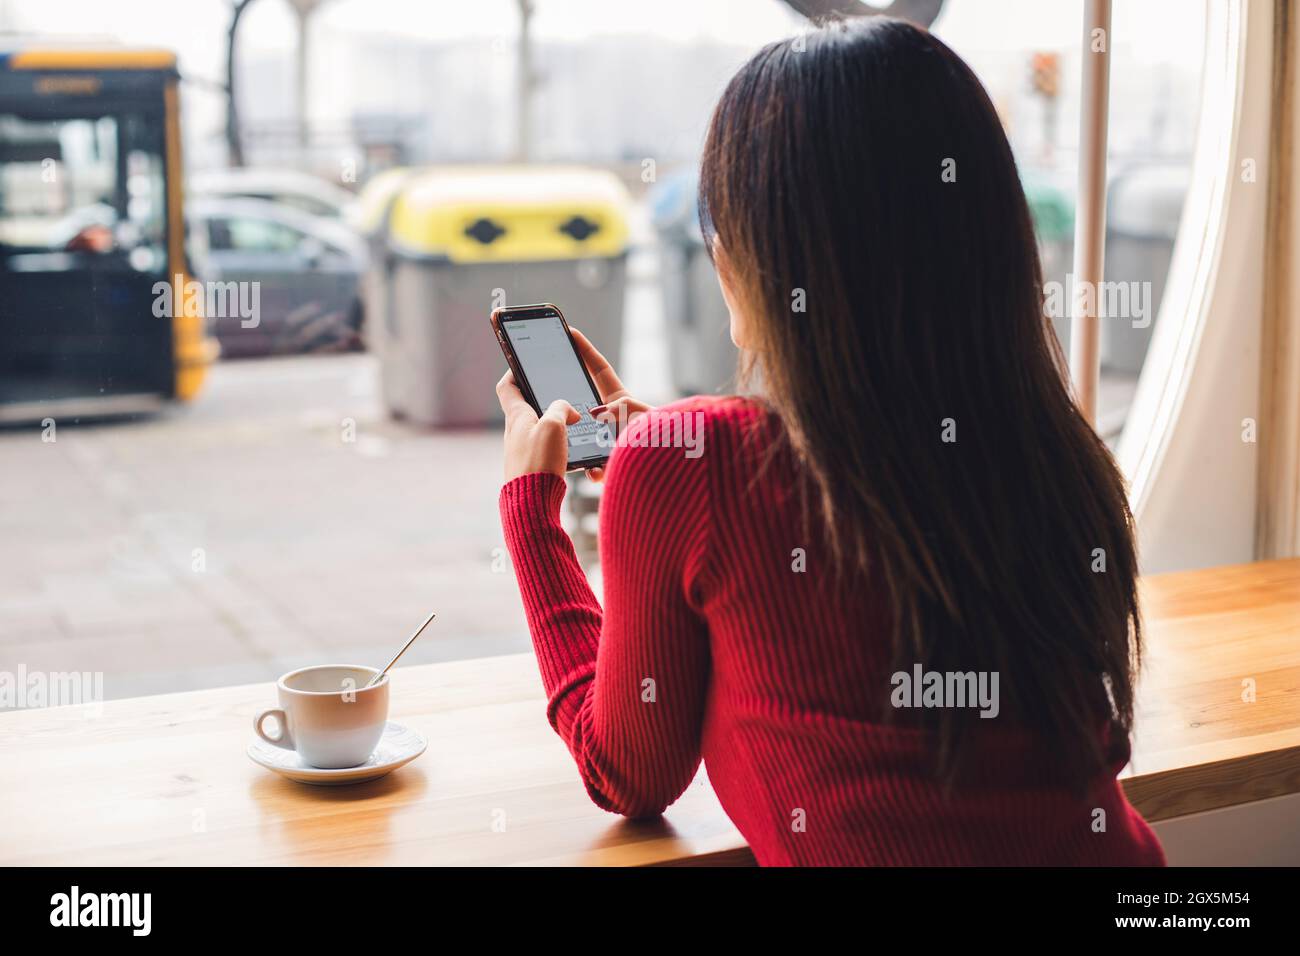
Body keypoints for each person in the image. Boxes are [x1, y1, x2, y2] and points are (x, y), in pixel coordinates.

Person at [494, 16, 1164, 866]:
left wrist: (532, 512)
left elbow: (626, 773)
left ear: (744, 260)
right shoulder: (1053, 457)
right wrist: (672, 458)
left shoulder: (687, 466)